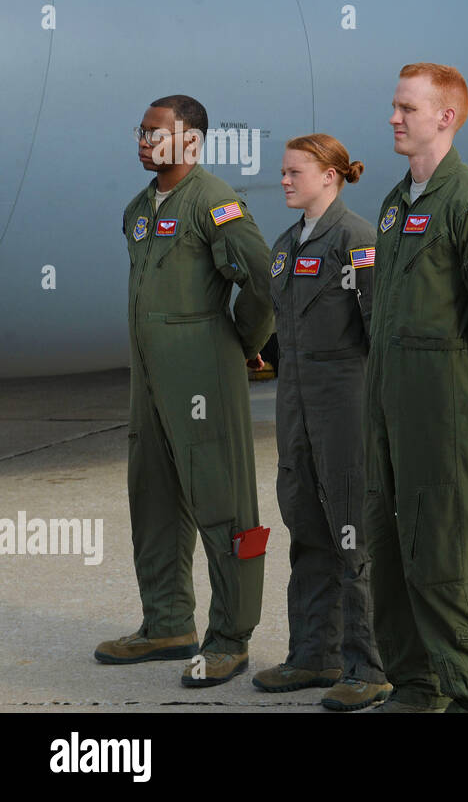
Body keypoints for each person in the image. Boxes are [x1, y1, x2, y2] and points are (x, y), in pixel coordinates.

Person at [97, 94, 273, 687]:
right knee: (152, 498)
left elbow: (262, 281)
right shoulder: (139, 208)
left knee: (224, 504)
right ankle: (167, 623)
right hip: (149, 378)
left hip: (203, 373)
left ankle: (231, 637)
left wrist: (238, 345)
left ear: (190, 140)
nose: (144, 141)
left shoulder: (215, 203)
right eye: (140, 131)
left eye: (156, 132)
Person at [363, 63, 468, 712]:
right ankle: (416, 684)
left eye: (407, 108)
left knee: (442, 554)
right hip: (388, 403)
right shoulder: (396, 203)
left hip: (443, 408)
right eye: (395, 106)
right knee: (388, 548)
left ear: (446, 118)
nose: (394, 117)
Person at [253, 134, 391, 710]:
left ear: (331, 175)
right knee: (305, 527)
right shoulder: (287, 244)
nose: (284, 180)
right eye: (283, 172)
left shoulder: (355, 239)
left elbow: (377, 333)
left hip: (345, 404)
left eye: (295, 171)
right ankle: (313, 655)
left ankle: (369, 665)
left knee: (352, 531)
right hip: (297, 407)